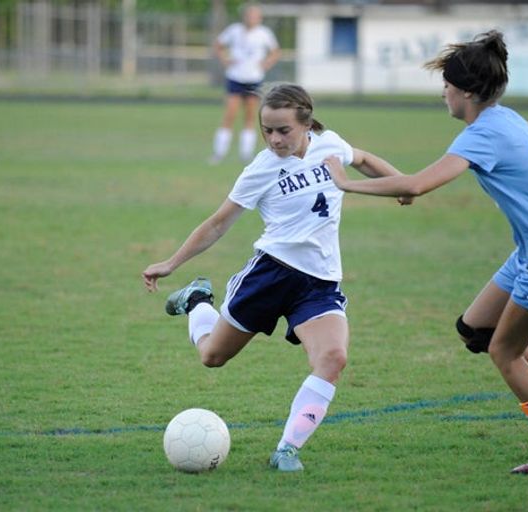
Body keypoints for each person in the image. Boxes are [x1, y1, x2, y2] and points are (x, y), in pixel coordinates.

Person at [324, 31, 528, 474]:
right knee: (475, 328)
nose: (444, 94)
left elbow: (417, 184)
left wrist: (346, 182)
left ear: (469, 93)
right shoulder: (503, 120)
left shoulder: (484, 134)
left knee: (505, 353)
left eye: (448, 88)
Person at [142, 83, 411, 472]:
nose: (273, 139)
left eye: (283, 130)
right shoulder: (262, 168)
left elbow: (364, 158)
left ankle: (286, 450)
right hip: (270, 275)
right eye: (267, 130)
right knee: (212, 356)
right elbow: (218, 224)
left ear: (306, 123)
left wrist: (401, 185)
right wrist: (171, 263)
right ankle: (198, 300)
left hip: (320, 284)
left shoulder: (329, 143)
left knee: (333, 358)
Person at [209, 3, 281, 165]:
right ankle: (219, 153)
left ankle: (246, 154)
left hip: (254, 79)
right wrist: (225, 60)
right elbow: (218, 45)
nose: (252, 18)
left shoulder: (264, 33)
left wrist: (266, 64)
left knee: (250, 117)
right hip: (235, 77)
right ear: (244, 17)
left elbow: (276, 52)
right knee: (230, 115)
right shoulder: (234, 30)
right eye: (249, 15)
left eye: (255, 16)